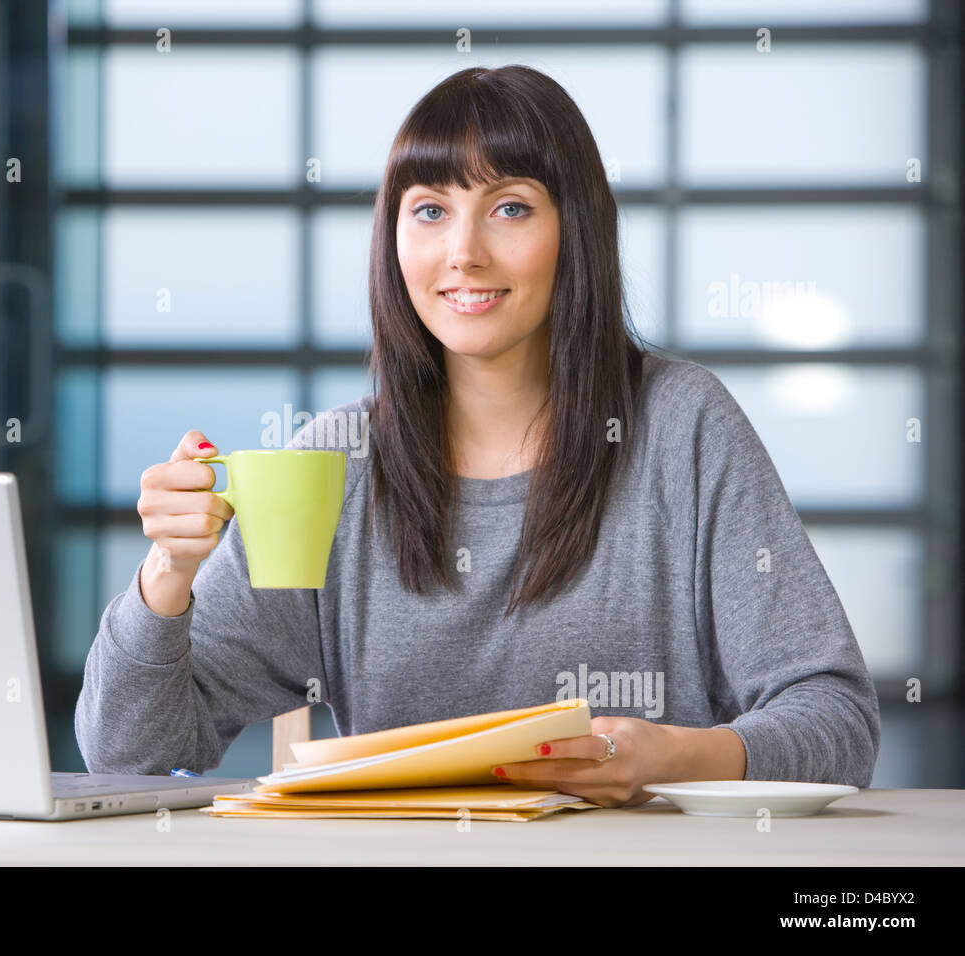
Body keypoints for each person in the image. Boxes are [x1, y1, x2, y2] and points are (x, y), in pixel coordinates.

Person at [74, 65, 879, 808]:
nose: (463, 252)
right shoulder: (334, 465)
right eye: (429, 210)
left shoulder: (684, 427)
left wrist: (671, 756)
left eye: (511, 208)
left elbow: (837, 722)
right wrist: (168, 573)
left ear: (578, 232)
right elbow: (129, 751)